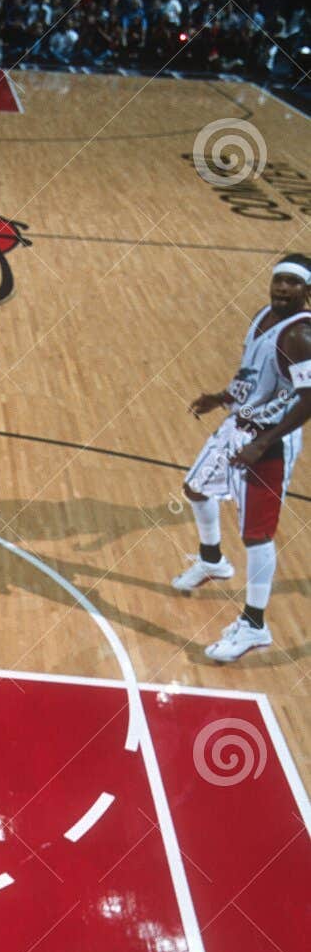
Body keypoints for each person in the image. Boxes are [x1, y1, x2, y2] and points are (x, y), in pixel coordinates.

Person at [173, 257, 311, 661]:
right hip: (239, 426)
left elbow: (308, 399)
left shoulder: (301, 335)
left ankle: (254, 626)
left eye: (292, 283)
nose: (282, 288)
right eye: (278, 280)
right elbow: (251, 373)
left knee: (256, 534)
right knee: (196, 487)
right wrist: (220, 398)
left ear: (307, 291)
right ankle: (212, 560)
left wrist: (263, 442)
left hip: (269, 443)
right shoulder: (263, 317)